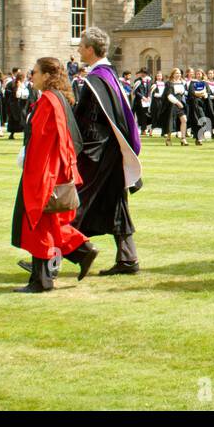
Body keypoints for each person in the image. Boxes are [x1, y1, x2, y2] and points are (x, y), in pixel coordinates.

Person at [12, 57, 100, 292]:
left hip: (45, 172)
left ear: (47, 76)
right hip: (53, 170)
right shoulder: (55, 99)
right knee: (49, 224)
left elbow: (43, 143)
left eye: (36, 72)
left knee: (38, 225)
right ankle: (82, 252)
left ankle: (42, 281)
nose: (32, 76)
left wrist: (35, 173)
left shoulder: (49, 102)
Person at [72, 27, 143, 276]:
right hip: (113, 152)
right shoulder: (107, 75)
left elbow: (88, 122)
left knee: (75, 201)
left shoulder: (95, 81)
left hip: (98, 153)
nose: (79, 49)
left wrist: (76, 149)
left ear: (91, 49)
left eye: (81, 45)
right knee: (116, 205)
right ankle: (128, 259)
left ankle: (52, 258)